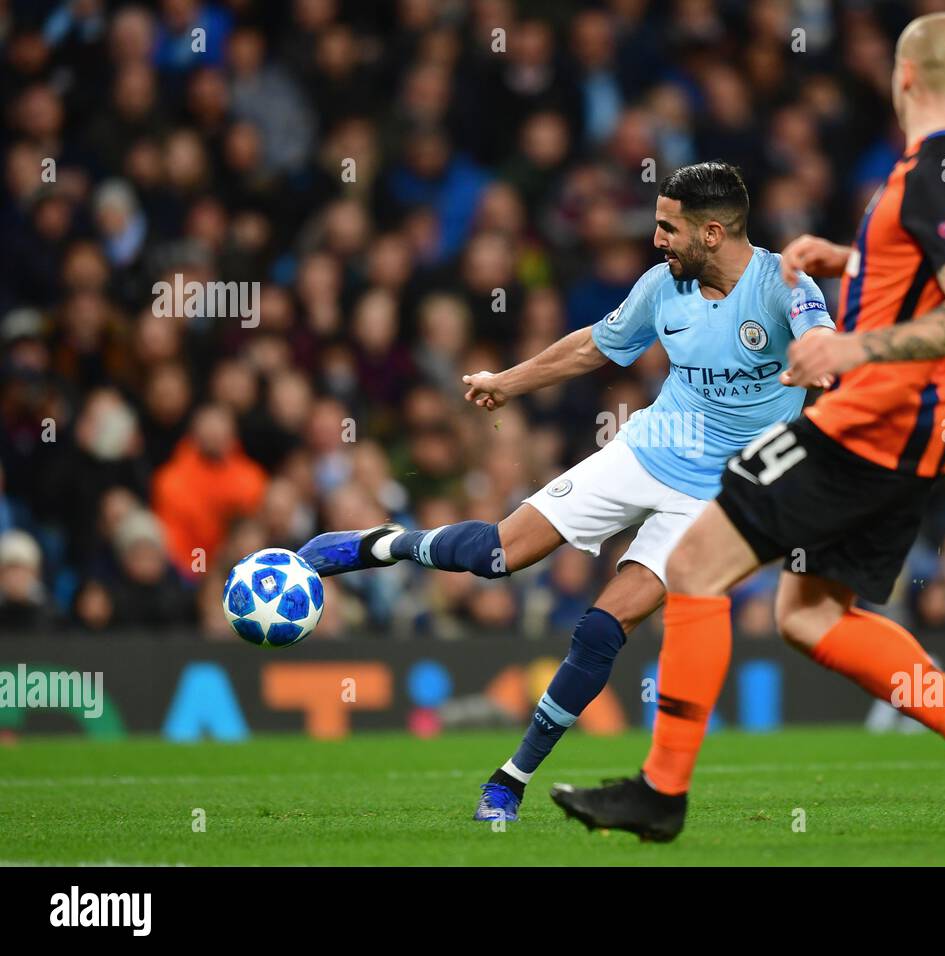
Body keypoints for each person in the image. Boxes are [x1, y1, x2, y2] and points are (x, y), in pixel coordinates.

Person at [551, 12, 945, 843]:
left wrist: (847, 343)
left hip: (872, 418)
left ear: (904, 77)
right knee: (808, 615)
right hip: (924, 430)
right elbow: (933, 279)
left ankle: (661, 793)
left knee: (697, 562)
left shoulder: (937, 170)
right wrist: (852, 265)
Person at [296, 161, 836, 821]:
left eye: (669, 228)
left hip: (715, 500)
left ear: (714, 232)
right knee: (498, 555)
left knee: (604, 628)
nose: (657, 239)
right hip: (645, 451)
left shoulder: (783, 286)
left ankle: (509, 779)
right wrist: (508, 381)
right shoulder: (663, 287)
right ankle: (384, 543)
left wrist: (817, 362)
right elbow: (596, 349)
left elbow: (822, 345)